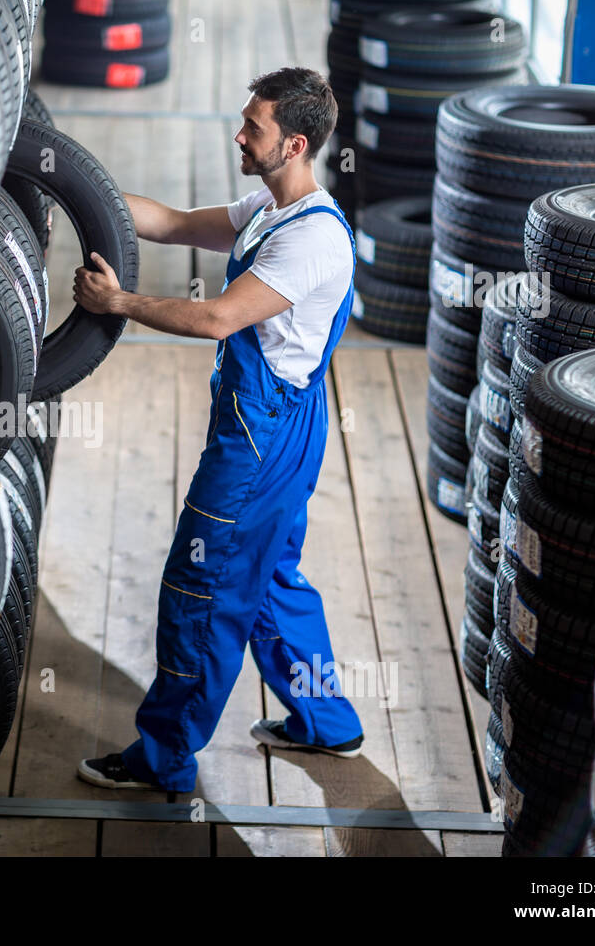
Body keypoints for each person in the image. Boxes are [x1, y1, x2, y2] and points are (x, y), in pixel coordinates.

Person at [72, 67, 365, 793]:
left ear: (294, 144)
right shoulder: (270, 207)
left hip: (260, 439)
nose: (240, 134)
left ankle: (164, 756)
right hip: (284, 425)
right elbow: (169, 222)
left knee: (200, 585)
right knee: (268, 578)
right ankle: (328, 722)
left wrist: (120, 303)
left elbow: (216, 318)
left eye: (254, 127)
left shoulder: (312, 241)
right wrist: (73, 191)